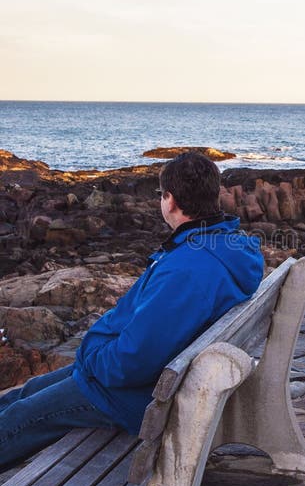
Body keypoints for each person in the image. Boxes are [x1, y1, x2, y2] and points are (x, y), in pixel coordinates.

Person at [0, 152, 264, 469]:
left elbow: (132, 362)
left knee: (18, 418)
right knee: (24, 393)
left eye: (162, 195)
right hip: (135, 381)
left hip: (125, 395)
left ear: (171, 201)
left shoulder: (187, 269)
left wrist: (92, 353)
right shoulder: (223, 245)